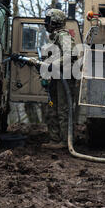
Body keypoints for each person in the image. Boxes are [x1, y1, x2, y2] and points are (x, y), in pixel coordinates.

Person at [41, 8, 76, 149]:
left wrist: (53, 64)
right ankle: (55, 140)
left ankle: (65, 141)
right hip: (56, 77)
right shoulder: (55, 38)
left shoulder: (64, 36)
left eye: (48, 21)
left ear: (55, 22)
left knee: (63, 109)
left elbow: (70, 55)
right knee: (52, 106)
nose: (46, 24)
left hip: (65, 78)